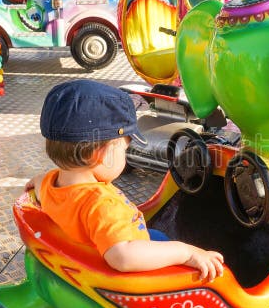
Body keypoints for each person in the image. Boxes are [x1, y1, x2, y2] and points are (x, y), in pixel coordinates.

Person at [26, 80, 225, 281]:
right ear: (100, 155)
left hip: (88, 256)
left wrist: (36, 180)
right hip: (130, 273)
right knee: (172, 243)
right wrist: (187, 253)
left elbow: (39, 185)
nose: (126, 155)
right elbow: (123, 257)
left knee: (158, 235)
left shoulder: (50, 182)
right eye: (125, 149)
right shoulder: (102, 206)